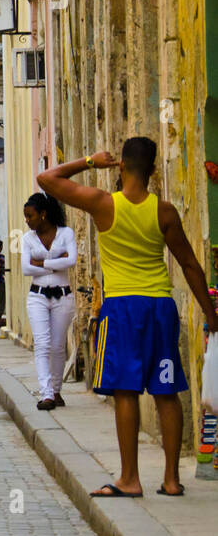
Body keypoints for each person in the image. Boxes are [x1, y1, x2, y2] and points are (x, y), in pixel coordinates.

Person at [37, 138, 218, 498]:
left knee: (126, 391)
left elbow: (48, 179)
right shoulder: (164, 212)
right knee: (166, 390)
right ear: (152, 170)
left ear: (121, 166)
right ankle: (170, 479)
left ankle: (129, 479)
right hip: (160, 307)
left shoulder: (103, 204)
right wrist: (212, 318)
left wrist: (91, 161)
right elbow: (190, 266)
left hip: (122, 309)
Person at [20, 193, 77, 411]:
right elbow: (26, 268)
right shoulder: (28, 239)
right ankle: (46, 395)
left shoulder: (65, 234)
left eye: (30, 216)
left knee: (57, 346)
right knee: (42, 344)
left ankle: (56, 390)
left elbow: (71, 261)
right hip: (38, 296)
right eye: (26, 216)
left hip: (63, 295)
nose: (27, 220)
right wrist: (56, 263)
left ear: (43, 214)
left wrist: (41, 262)